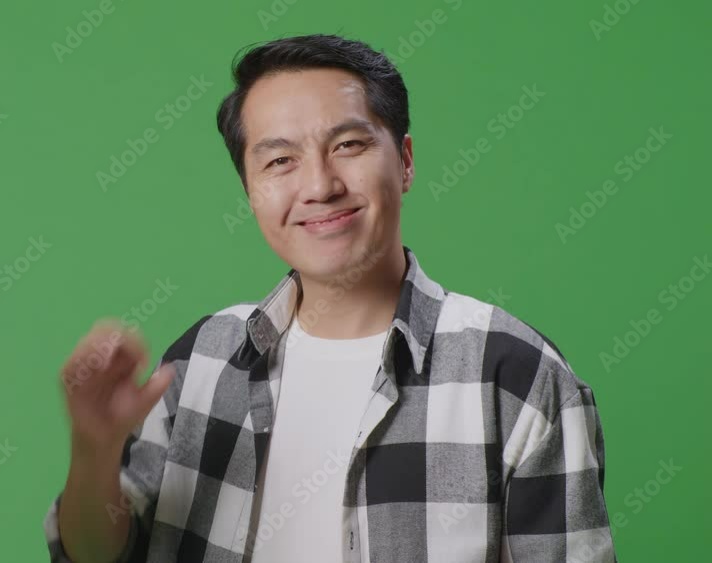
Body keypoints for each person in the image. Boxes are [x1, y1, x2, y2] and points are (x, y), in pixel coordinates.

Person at [44, 33, 616, 563]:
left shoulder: (515, 375)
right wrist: (94, 452)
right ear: (250, 190)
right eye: (279, 161)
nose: (319, 185)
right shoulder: (201, 360)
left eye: (348, 145)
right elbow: (94, 554)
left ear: (406, 161)